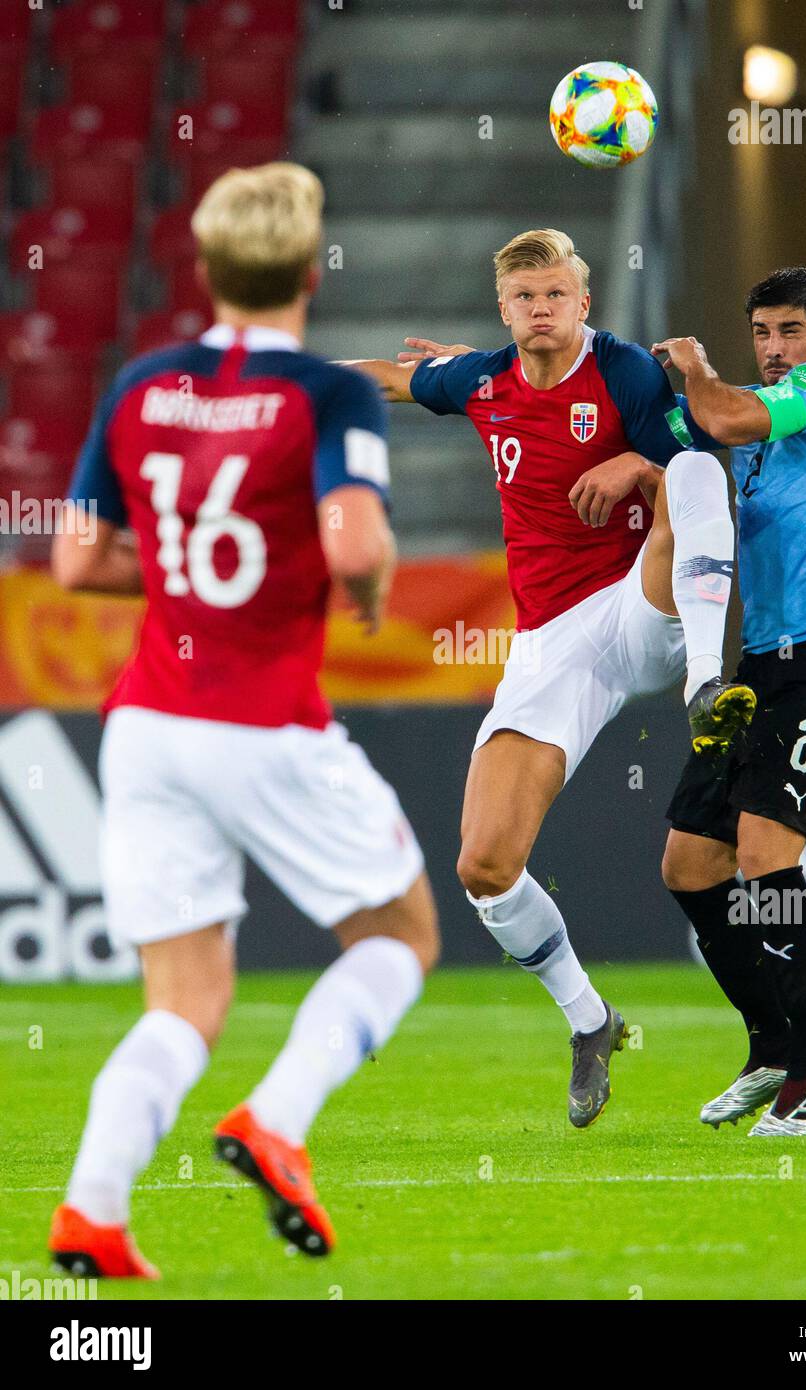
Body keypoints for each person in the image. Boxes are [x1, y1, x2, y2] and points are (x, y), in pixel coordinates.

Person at [47, 163, 439, 1278]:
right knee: (400, 934)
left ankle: (91, 1211)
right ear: (312, 273)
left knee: (183, 997)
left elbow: (75, 559)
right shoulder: (327, 391)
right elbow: (358, 541)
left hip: (147, 726)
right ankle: (274, 1117)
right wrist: (357, 589)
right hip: (263, 720)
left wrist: (184, 578)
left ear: (207, 271)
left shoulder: (139, 384)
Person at [345, 228, 754, 1128]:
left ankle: (704, 685)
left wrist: (638, 462)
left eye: (556, 294)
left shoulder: (626, 378)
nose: (541, 308)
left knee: (688, 471)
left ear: (585, 302)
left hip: (642, 603)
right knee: (484, 865)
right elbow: (383, 377)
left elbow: (707, 468)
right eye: (524, 296)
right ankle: (590, 1020)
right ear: (504, 308)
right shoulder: (480, 379)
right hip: (549, 647)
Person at [653, 266, 806, 1136]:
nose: (777, 349)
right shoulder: (742, 406)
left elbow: (722, 416)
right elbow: (664, 430)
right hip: (760, 665)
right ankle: (772, 1047)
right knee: (689, 862)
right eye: (762, 333)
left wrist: (697, 366)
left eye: (791, 331)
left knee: (763, 848)